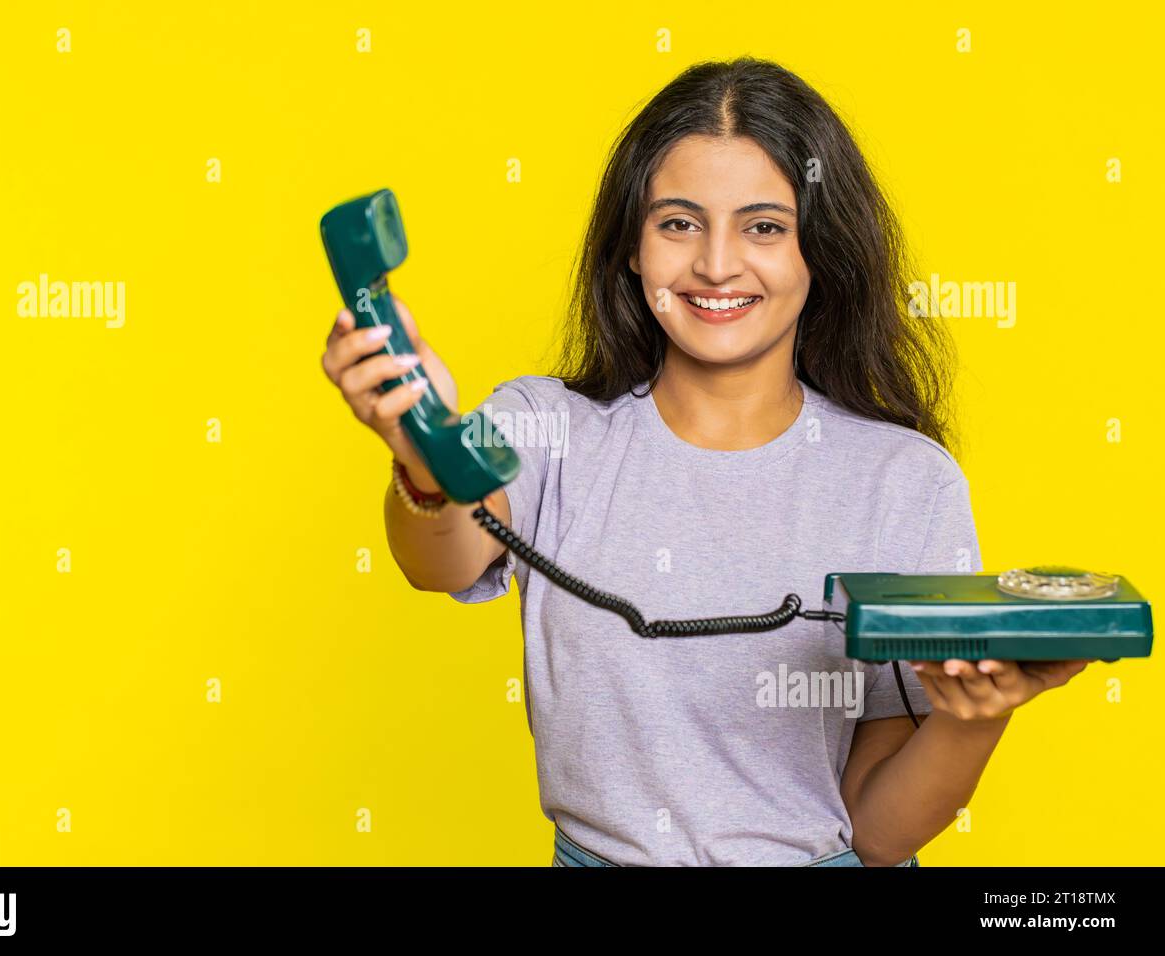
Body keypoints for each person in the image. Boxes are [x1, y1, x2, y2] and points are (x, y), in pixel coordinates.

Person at [319, 56, 1089, 867]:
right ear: (631, 248)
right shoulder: (548, 427)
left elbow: (875, 829)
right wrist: (422, 453)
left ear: (818, 252)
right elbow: (441, 561)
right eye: (678, 223)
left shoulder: (903, 480)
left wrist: (976, 716)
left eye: (764, 226)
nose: (717, 265)